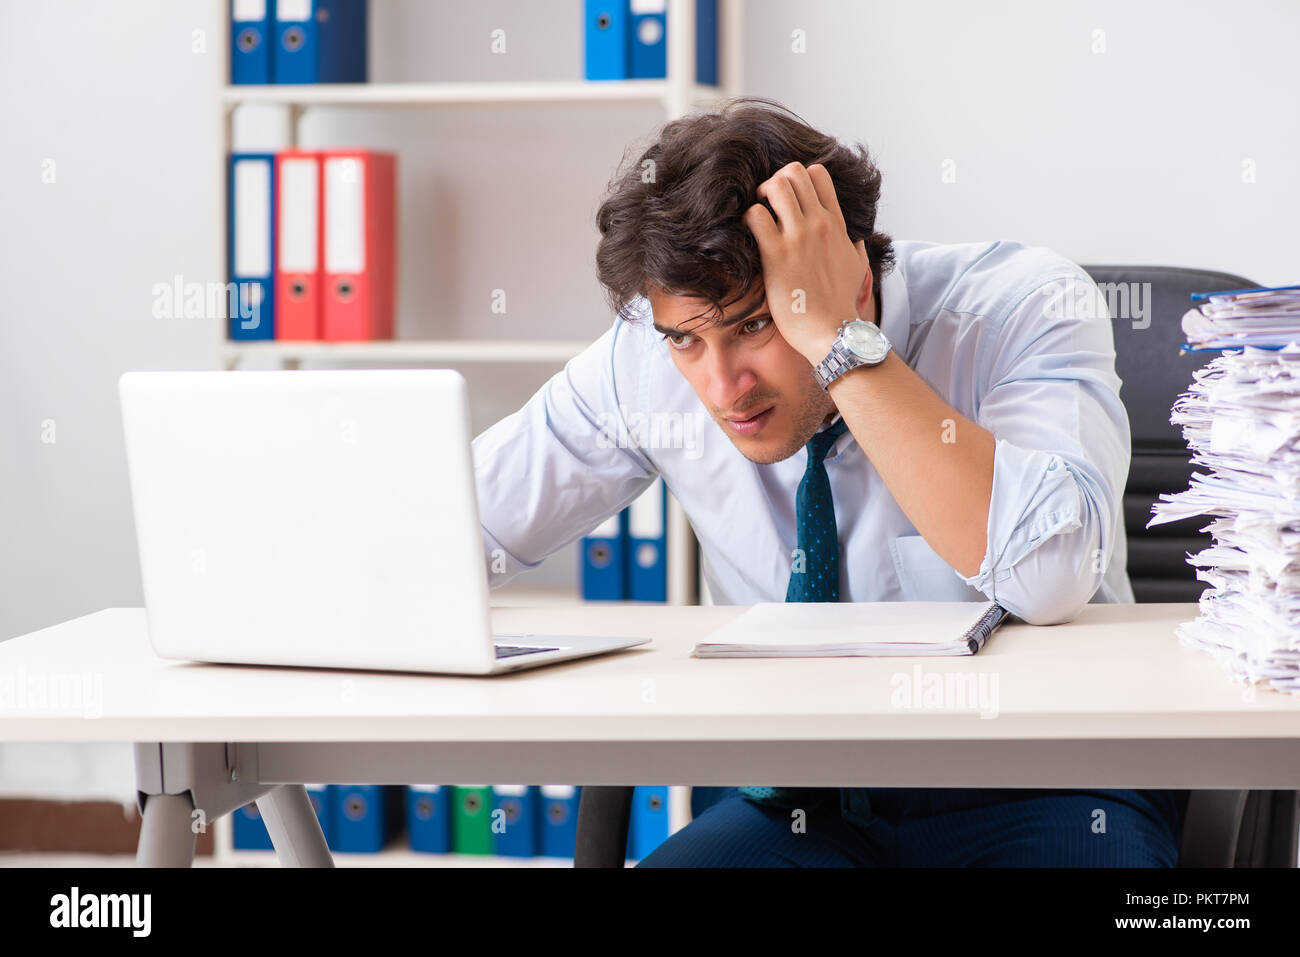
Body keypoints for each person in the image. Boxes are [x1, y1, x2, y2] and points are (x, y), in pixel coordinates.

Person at [472, 96, 1183, 866]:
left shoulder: (1022, 304)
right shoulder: (645, 357)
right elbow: (455, 533)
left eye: (756, 324)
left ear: (849, 269)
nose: (722, 387)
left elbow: (1049, 574)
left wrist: (838, 341)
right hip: (793, 808)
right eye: (686, 340)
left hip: (1044, 788)